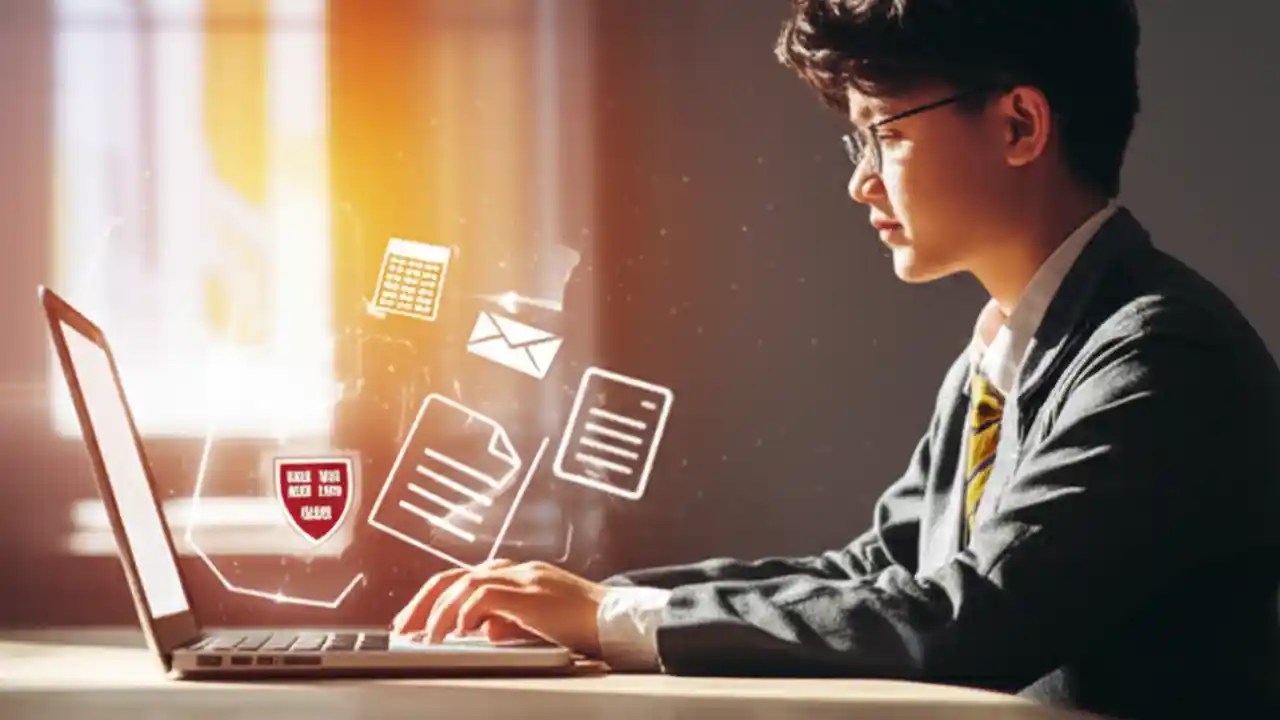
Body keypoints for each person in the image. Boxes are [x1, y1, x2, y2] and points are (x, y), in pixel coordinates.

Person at [390, 1, 1280, 716]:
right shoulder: (1005, 354)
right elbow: (876, 574)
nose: (860, 181)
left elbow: (968, 620)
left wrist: (606, 618)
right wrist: (587, 604)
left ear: (1019, 125)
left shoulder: (1162, 355)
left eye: (885, 132)